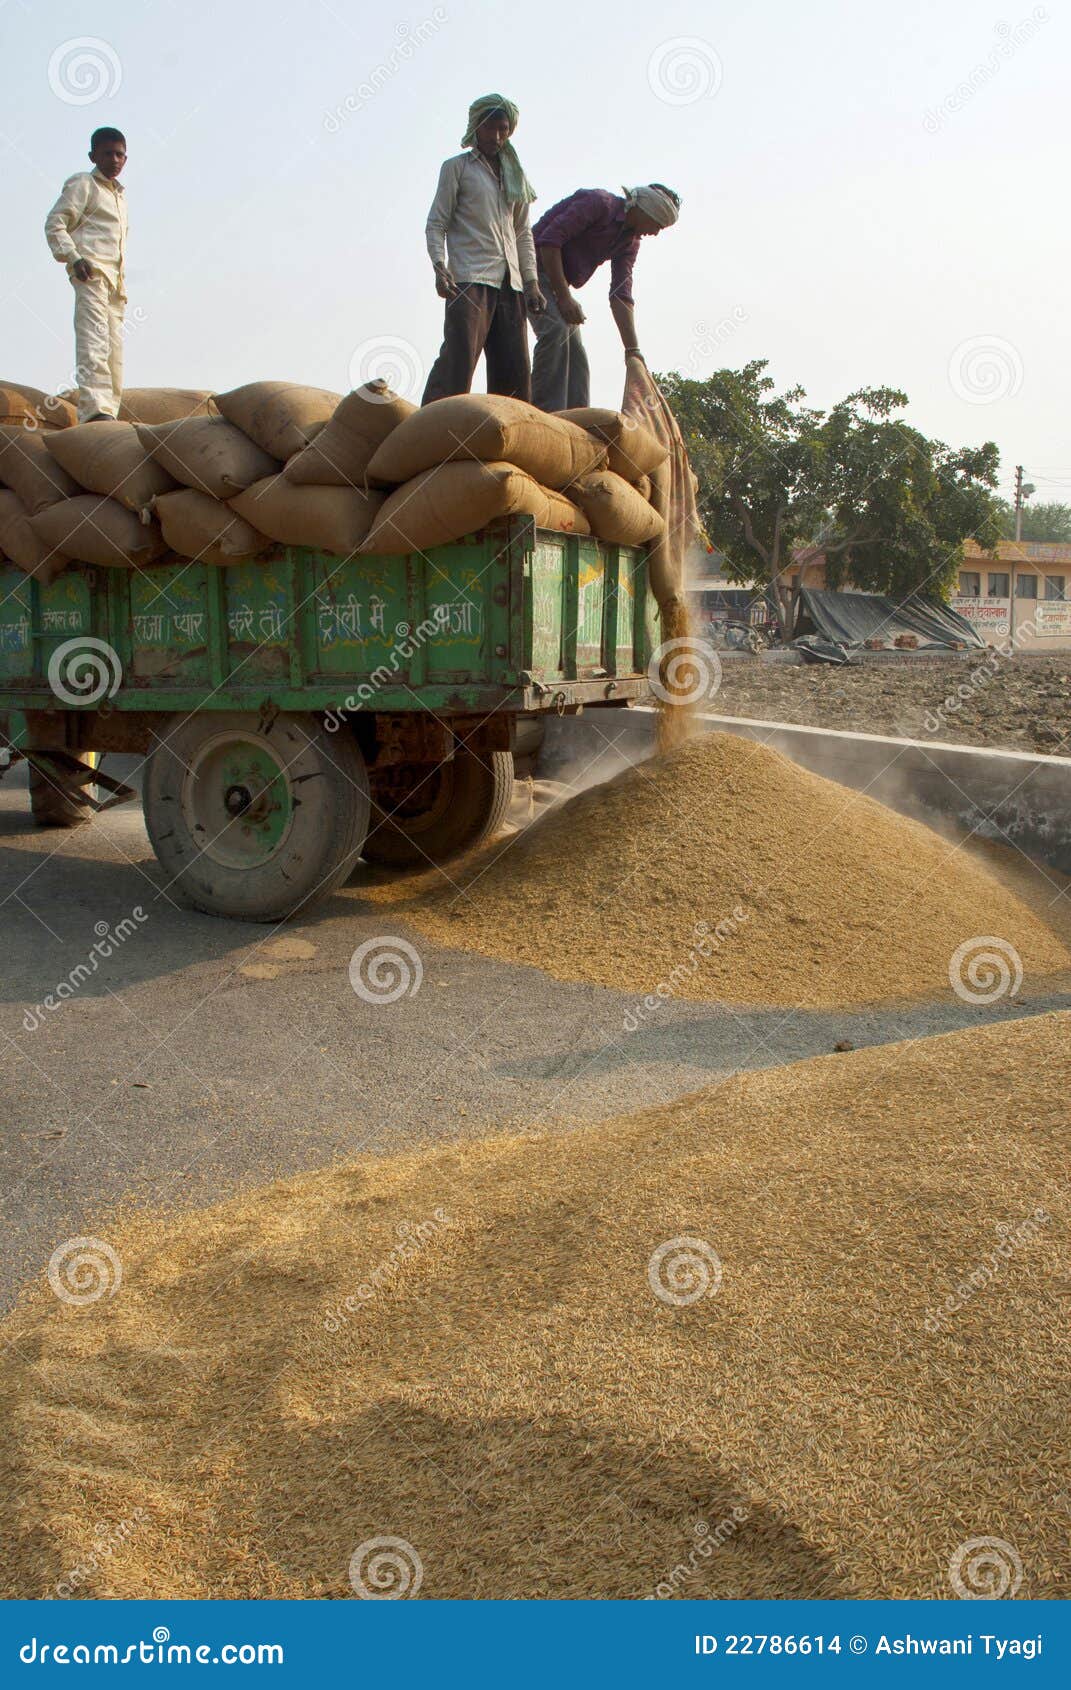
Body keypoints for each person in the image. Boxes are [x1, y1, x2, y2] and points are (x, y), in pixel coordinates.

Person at [422, 95, 544, 406]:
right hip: (469, 279)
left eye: (503, 130)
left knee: (515, 375)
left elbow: (522, 233)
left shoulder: (515, 178)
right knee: (458, 363)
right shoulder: (457, 168)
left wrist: (531, 282)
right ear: (476, 128)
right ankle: (430, 430)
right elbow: (437, 223)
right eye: (490, 129)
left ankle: (507, 443)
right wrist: (439, 266)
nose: (497, 137)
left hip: (511, 284)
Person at [529, 183, 681, 412]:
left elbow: (621, 294)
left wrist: (633, 351)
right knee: (556, 331)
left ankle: (576, 419)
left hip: (556, 282)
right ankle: (544, 413)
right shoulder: (599, 204)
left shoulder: (629, 241)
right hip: (527, 269)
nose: (656, 232)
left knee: (576, 354)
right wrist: (564, 298)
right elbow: (549, 242)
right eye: (657, 224)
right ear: (646, 210)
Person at [44, 128, 129, 423]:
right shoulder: (84, 184)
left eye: (119, 154)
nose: (115, 159)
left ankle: (110, 412)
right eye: (108, 153)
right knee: (93, 341)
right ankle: (94, 410)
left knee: (113, 351)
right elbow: (56, 223)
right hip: (91, 272)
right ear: (93, 156)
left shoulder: (120, 197)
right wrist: (73, 256)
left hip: (115, 284)